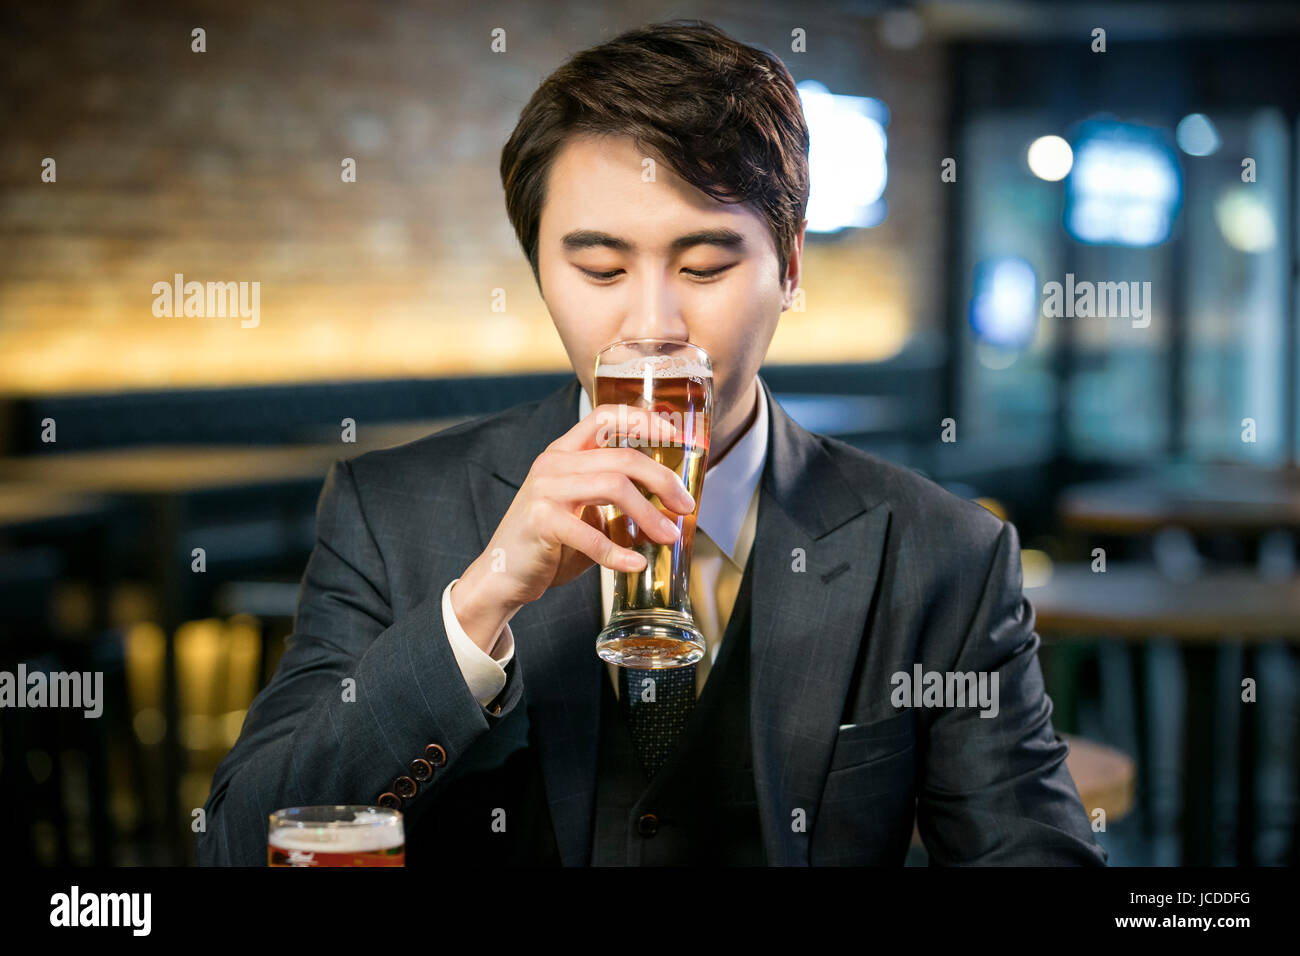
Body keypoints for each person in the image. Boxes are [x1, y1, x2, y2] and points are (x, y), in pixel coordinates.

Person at [198, 18, 1106, 866]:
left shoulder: (942, 554)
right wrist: (477, 610)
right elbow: (243, 842)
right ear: (541, 271)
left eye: (705, 266)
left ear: (789, 269)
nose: (652, 324)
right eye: (599, 268)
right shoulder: (390, 514)